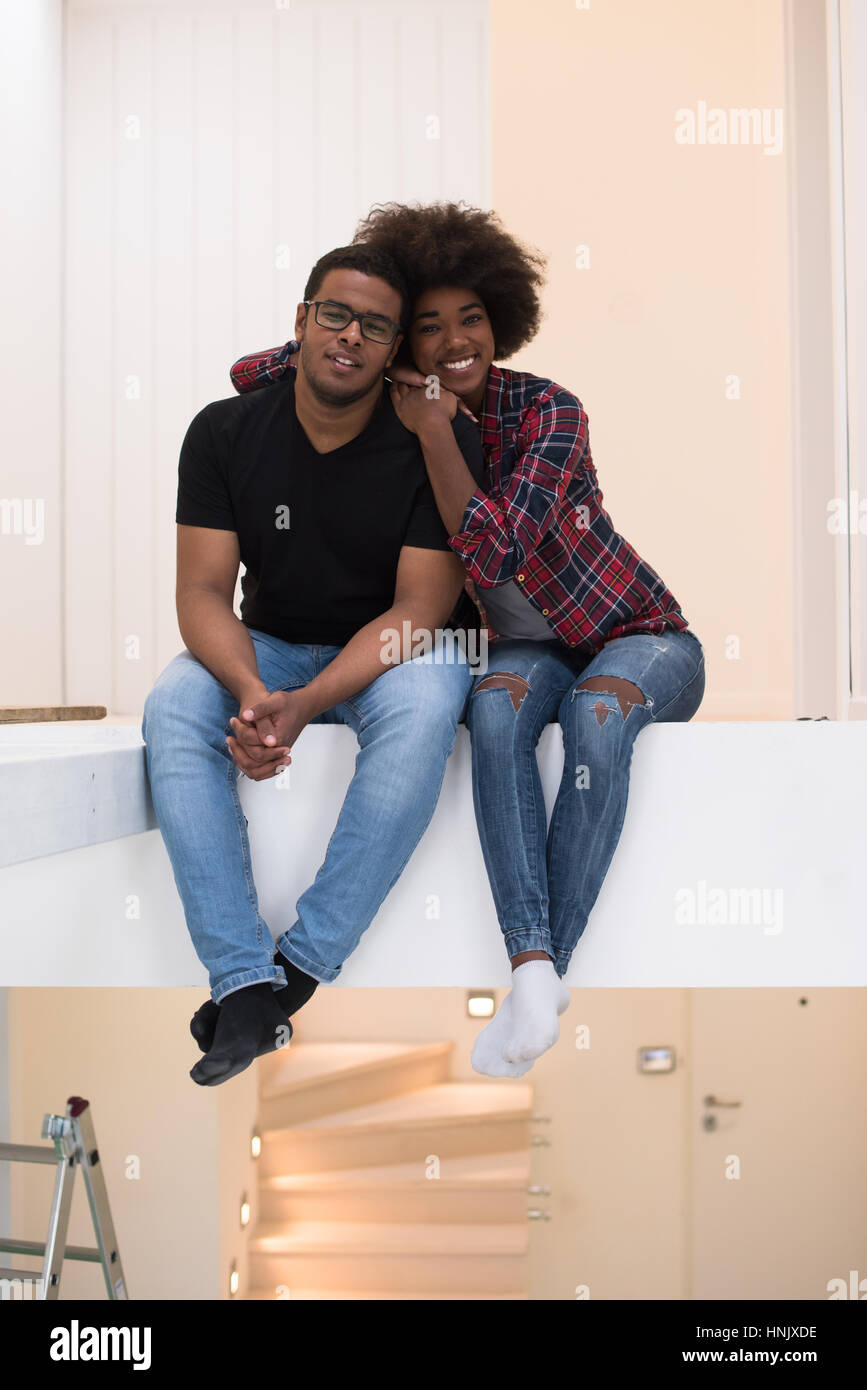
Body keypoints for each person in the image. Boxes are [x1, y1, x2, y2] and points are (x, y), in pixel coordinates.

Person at [227, 203, 706, 1079]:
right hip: (525, 651)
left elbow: (489, 547)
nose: (456, 341)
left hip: (634, 635)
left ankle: (538, 967)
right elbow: (250, 370)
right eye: (427, 325)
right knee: (491, 714)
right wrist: (369, 350)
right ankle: (534, 974)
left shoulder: (547, 412)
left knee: (598, 714)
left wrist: (436, 429)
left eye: (472, 318)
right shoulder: (395, 386)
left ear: (501, 318)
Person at [141, 242, 484, 1087]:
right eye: (334, 314)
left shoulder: (431, 443)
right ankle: (241, 975)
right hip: (270, 645)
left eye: (375, 327)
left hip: (388, 650)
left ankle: (293, 971)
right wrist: (259, 693)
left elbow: (418, 611)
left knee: (434, 684)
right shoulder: (224, 432)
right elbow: (202, 593)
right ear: (301, 321)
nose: (349, 337)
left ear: (393, 347)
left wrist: (305, 703)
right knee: (176, 701)